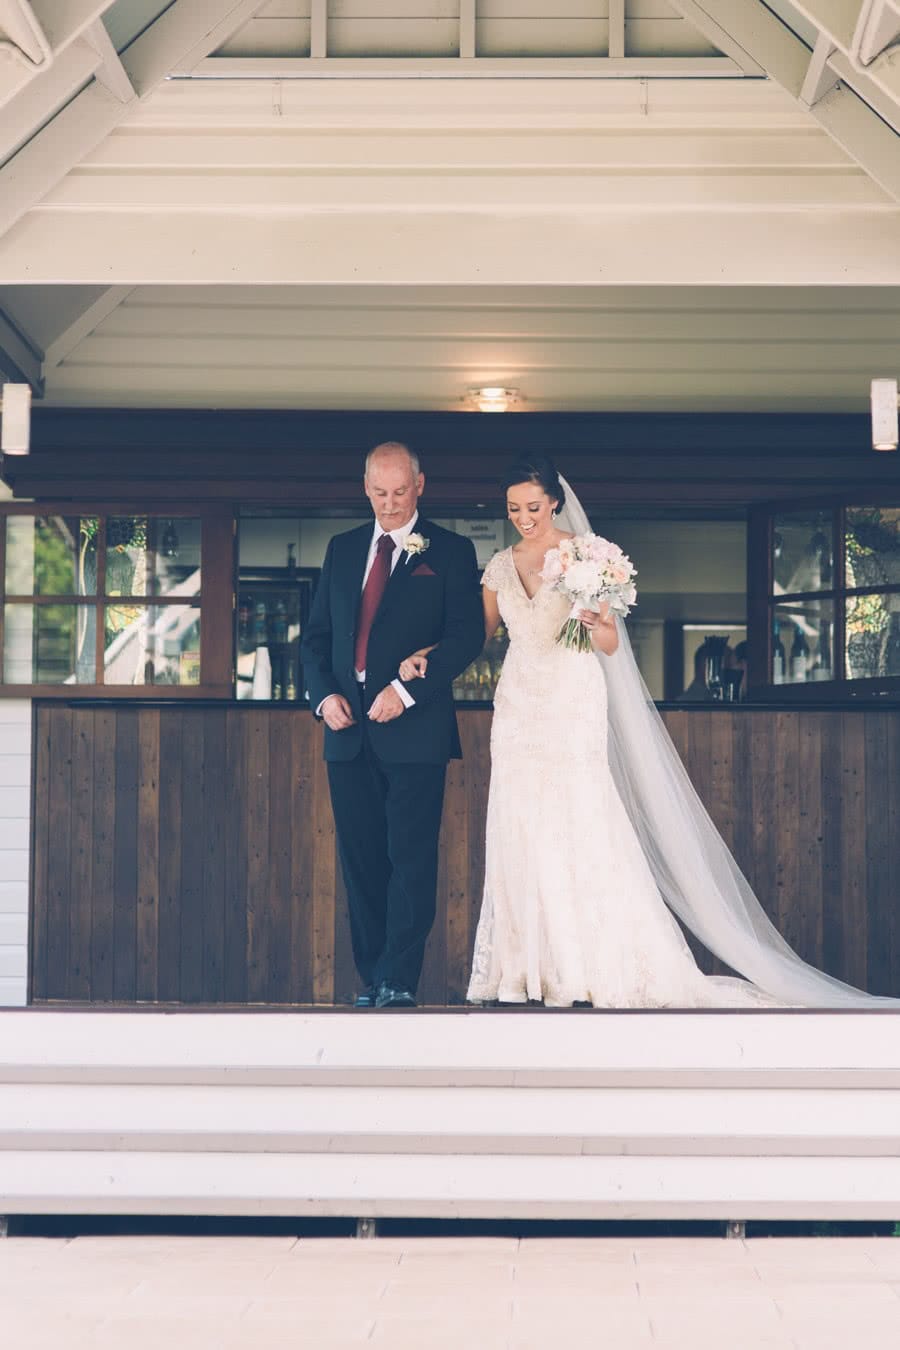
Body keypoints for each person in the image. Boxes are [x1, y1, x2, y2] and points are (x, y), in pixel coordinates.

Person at [400, 455, 899, 1010]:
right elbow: (478, 637)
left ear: (556, 504)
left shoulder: (588, 556)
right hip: (519, 700)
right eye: (514, 508)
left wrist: (597, 623)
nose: (524, 517)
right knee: (520, 819)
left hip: (571, 692)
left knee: (580, 817)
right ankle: (525, 970)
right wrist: (431, 654)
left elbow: (612, 646)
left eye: (534, 507)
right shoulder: (499, 566)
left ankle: (586, 966)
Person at [301, 442, 484, 1009]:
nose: (389, 503)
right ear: (365, 488)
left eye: (400, 492)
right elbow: (315, 640)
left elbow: (465, 637)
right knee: (361, 862)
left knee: (409, 858)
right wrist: (324, 696)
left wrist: (405, 692)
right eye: (379, 493)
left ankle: (400, 979)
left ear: (420, 486)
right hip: (347, 731)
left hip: (414, 731)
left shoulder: (451, 551)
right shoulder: (342, 547)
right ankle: (372, 976)